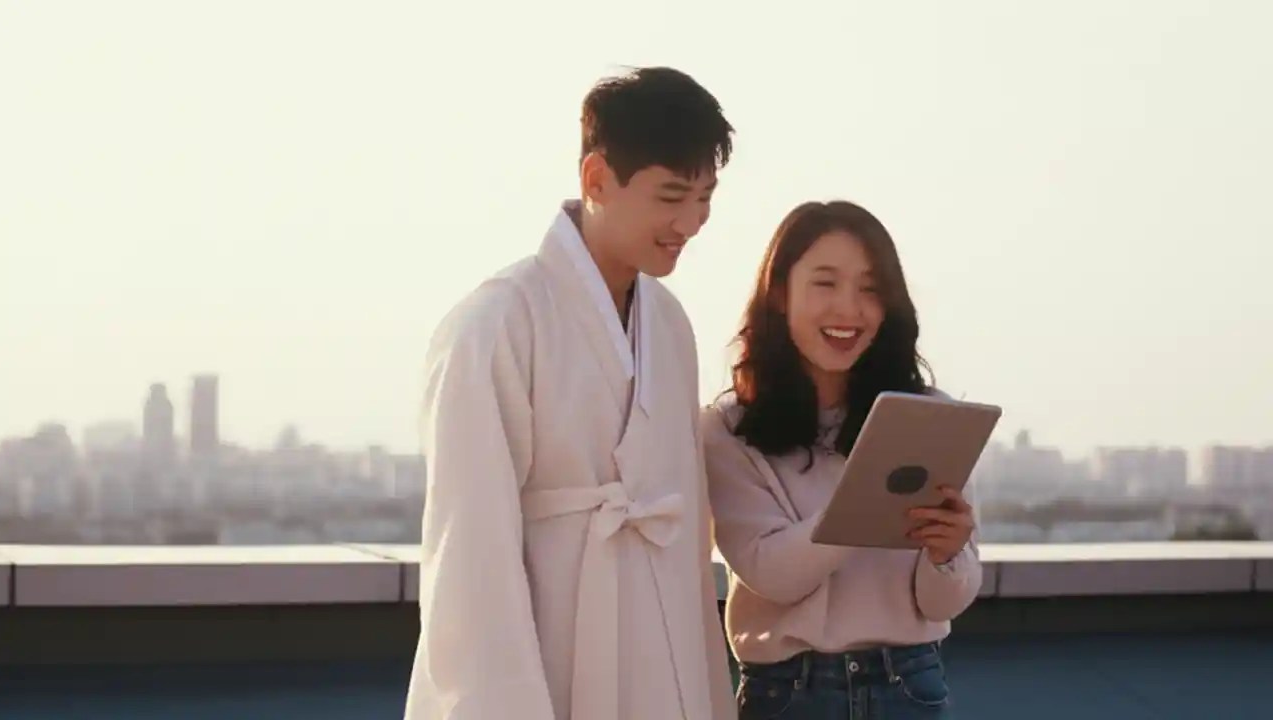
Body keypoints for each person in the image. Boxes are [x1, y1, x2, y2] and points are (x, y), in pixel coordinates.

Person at [404, 66, 738, 720]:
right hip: (550, 652)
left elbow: (690, 538)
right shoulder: (497, 323)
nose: (691, 222)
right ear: (596, 179)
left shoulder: (669, 325)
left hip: (659, 658)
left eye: (705, 198)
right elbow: (470, 558)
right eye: (672, 196)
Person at [701, 200, 982, 719]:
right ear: (780, 293)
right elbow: (772, 573)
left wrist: (948, 554)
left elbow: (942, 604)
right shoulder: (727, 428)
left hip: (910, 684)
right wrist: (870, 499)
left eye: (870, 288)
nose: (849, 309)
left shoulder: (930, 418)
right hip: (790, 692)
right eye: (825, 283)